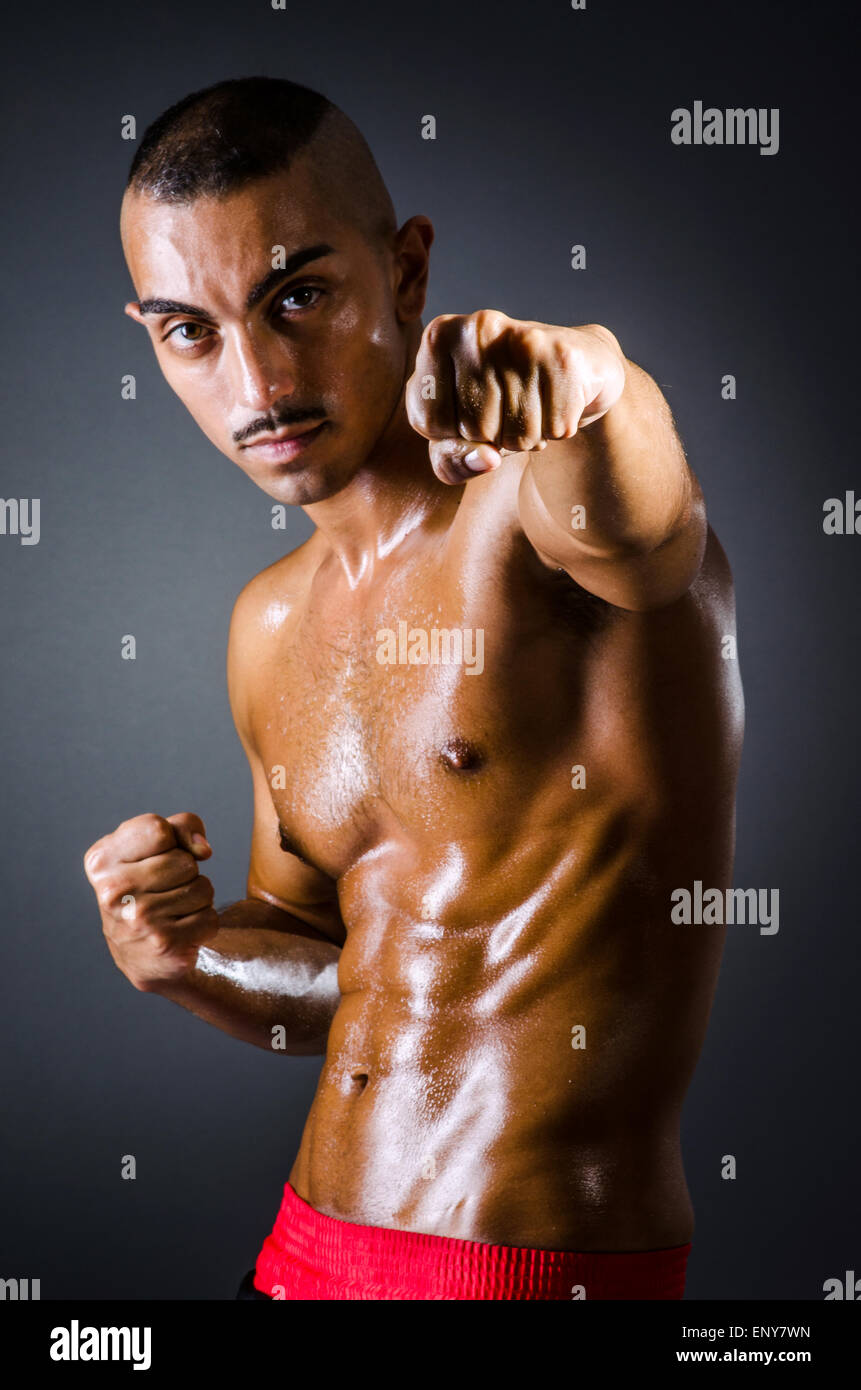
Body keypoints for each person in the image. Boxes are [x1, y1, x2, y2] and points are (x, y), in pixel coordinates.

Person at [83, 76, 744, 1300]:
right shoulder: (268, 624)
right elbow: (335, 973)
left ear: (407, 271)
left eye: (300, 297)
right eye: (191, 330)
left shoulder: (537, 508)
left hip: (525, 1273)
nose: (257, 378)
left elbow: (653, 526)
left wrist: (592, 374)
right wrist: (184, 954)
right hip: (298, 1257)